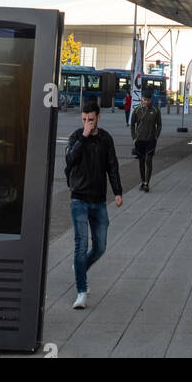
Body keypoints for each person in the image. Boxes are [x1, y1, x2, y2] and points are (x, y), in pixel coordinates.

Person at [64, 99, 122, 310]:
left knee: (100, 246)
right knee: (81, 245)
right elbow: (69, 160)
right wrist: (84, 137)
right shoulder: (76, 137)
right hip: (78, 198)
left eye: (91, 119)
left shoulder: (106, 139)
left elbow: (112, 167)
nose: (87, 123)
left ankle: (80, 267)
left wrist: (117, 192)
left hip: (98, 200)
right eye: (84, 120)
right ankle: (81, 291)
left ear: (98, 117)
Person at [130, 88, 162, 192]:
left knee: (148, 160)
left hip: (151, 139)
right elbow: (132, 125)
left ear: (151, 100)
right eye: (144, 99)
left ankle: (147, 184)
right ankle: (142, 181)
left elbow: (159, 125)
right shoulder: (137, 110)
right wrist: (134, 137)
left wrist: (156, 136)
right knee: (141, 161)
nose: (146, 101)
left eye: (148, 100)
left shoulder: (156, 111)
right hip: (139, 140)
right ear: (141, 99)